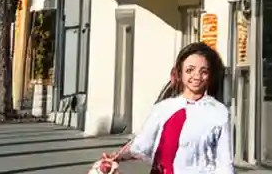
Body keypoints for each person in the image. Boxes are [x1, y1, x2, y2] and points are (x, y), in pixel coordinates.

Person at [100, 42, 234, 174]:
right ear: (179, 73)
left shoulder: (218, 113)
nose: (197, 76)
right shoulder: (163, 109)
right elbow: (141, 143)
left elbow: (225, 162)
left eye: (203, 71)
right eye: (190, 70)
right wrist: (117, 156)